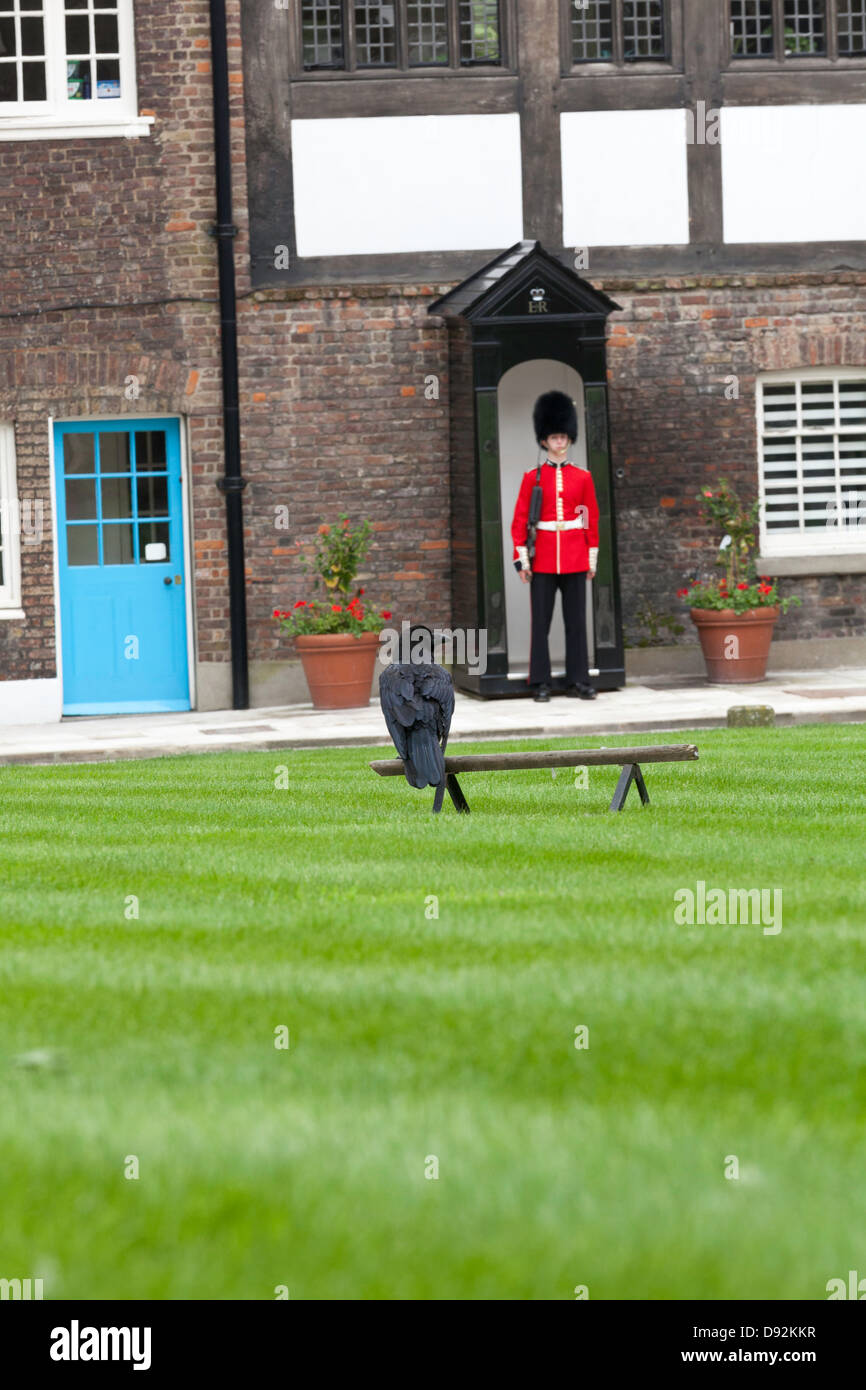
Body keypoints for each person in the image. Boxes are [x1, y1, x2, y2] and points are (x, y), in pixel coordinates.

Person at [511, 390, 599, 703]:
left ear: (569, 439)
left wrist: (591, 558)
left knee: (576, 623)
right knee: (541, 624)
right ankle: (541, 681)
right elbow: (520, 521)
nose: (559, 442)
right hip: (544, 558)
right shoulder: (531, 477)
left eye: (563, 437)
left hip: (575, 556)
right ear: (545, 441)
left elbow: (589, 518)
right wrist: (522, 562)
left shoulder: (583, 477)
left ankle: (579, 680)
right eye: (554, 437)